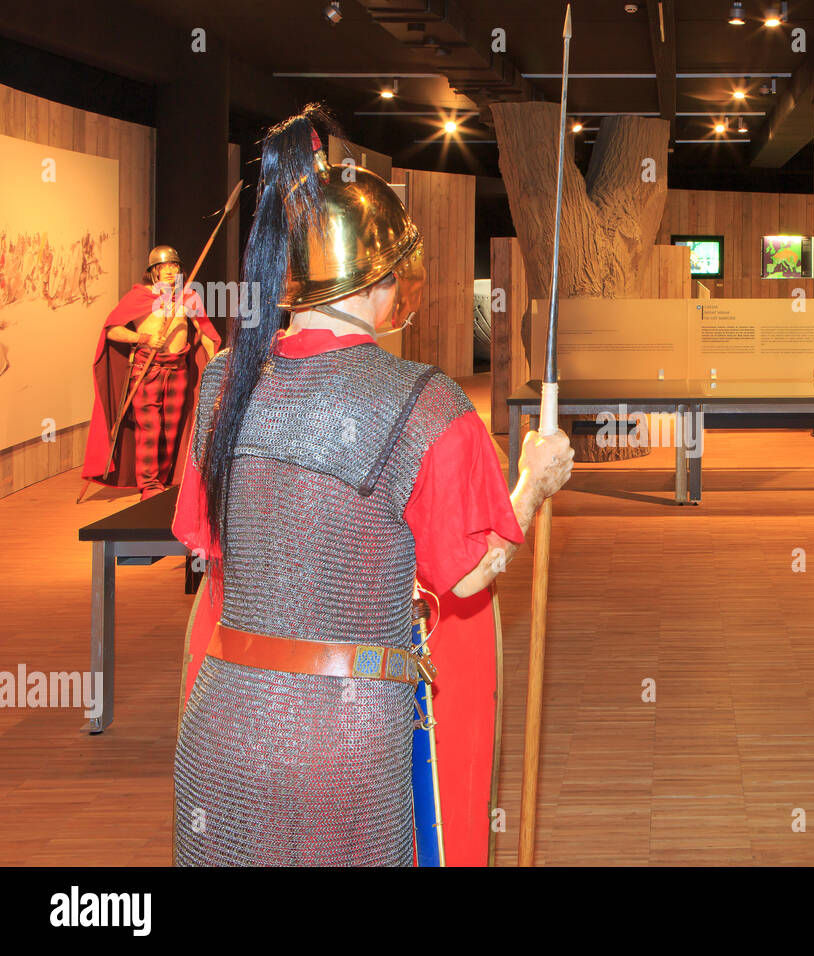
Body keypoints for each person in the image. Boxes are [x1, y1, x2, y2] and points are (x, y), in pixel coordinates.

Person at [170, 104, 573, 866]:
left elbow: (210, 549)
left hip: (223, 724)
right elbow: (470, 573)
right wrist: (534, 482)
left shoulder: (222, 384)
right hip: (344, 744)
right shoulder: (423, 403)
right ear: (379, 280)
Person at [81, 246, 219, 499]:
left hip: (177, 371)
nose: (169, 271)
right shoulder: (139, 297)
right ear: (153, 271)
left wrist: (215, 362)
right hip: (147, 371)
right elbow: (112, 330)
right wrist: (144, 338)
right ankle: (149, 484)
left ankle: (162, 479)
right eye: (163, 267)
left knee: (170, 430)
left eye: (173, 266)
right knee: (149, 430)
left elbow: (205, 333)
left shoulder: (187, 297)